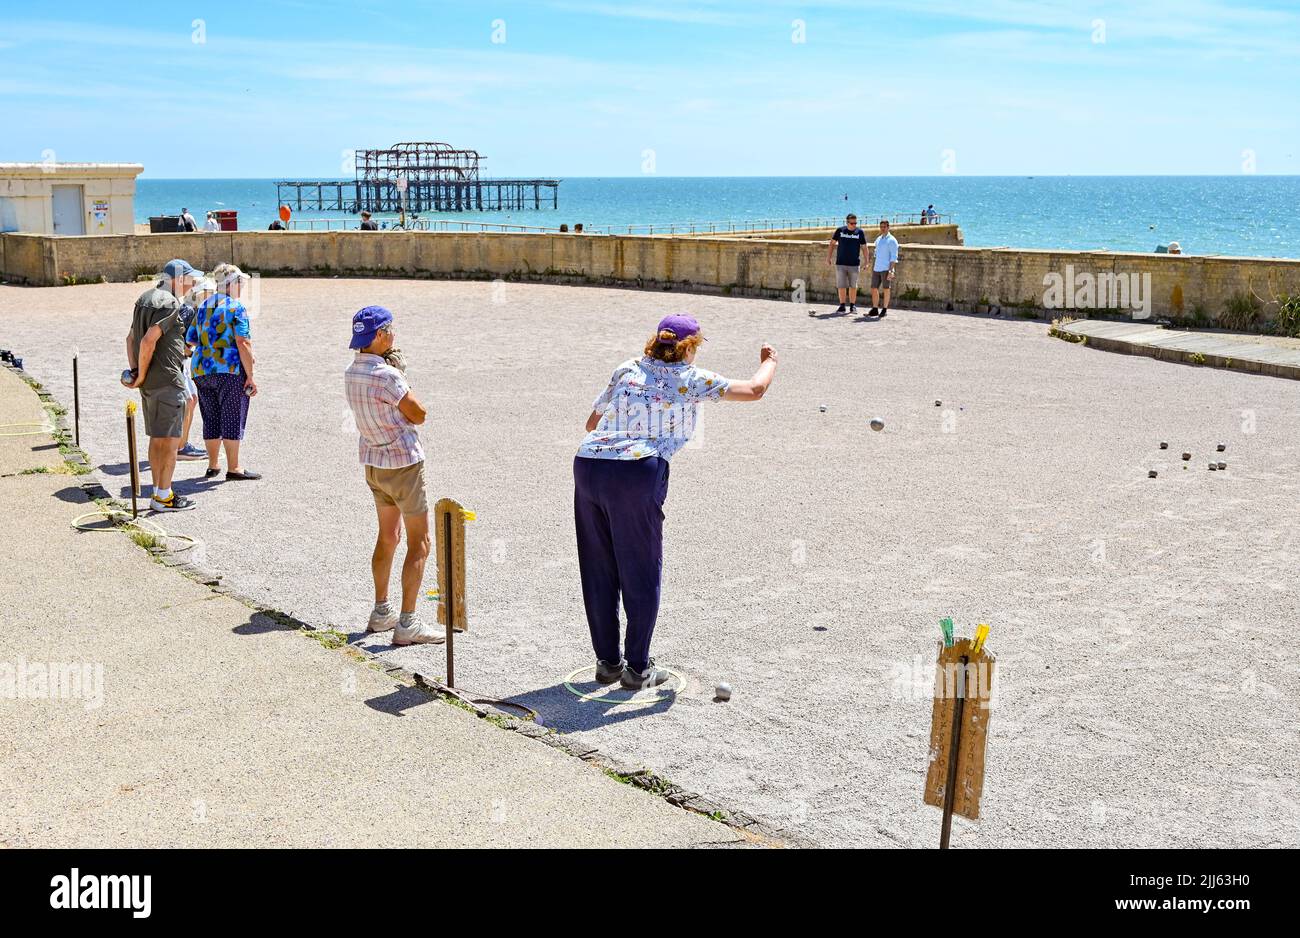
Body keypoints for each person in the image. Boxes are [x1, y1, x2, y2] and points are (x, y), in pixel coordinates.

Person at [575, 315, 779, 690]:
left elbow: (592, 424)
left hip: (588, 465)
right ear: (690, 346)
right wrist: (770, 361)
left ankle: (607, 663)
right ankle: (637, 668)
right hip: (636, 471)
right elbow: (754, 390)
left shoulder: (626, 368)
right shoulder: (691, 378)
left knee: (599, 567)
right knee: (640, 569)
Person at [343, 306, 443, 646]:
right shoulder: (388, 376)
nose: (394, 334)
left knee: (387, 537)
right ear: (380, 336)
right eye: (390, 329)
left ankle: (381, 610)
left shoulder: (351, 371)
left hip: (374, 464)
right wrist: (402, 375)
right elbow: (419, 414)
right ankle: (408, 623)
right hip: (403, 464)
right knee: (420, 543)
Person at [122, 258, 202, 512]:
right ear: (178, 279)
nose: (193, 284)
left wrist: (137, 373)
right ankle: (164, 497)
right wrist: (142, 375)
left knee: (157, 439)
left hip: (151, 384)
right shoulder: (170, 302)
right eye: (189, 278)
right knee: (169, 441)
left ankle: (159, 492)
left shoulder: (145, 298)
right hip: (167, 380)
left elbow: (130, 339)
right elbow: (146, 341)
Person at [187, 263, 262, 482]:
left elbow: (190, 340)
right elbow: (243, 341)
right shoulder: (236, 308)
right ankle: (234, 467)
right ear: (233, 284)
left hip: (202, 369)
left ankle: (213, 465)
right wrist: (250, 375)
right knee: (231, 416)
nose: (243, 287)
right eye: (241, 283)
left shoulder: (203, 306)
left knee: (210, 417)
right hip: (228, 369)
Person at [176, 276, 217, 461]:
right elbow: (184, 345)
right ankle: (180, 447)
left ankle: (182, 444)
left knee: (191, 400)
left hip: (181, 363)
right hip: (179, 363)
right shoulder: (191, 311)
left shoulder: (194, 309)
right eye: (209, 293)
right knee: (189, 400)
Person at [826, 213, 868, 314]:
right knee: (841, 285)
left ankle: (853, 306)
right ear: (847, 222)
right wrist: (828, 257)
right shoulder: (840, 231)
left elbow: (864, 247)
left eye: (855, 223)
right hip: (841, 263)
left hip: (854, 264)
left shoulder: (860, 232)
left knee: (853, 286)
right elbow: (832, 244)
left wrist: (867, 261)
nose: (854, 225)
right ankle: (842, 305)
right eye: (852, 223)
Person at [866, 219, 900, 317]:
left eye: (884, 227)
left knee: (886, 289)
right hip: (877, 267)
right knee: (873, 288)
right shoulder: (879, 239)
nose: (882, 229)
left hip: (886, 268)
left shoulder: (892, 240)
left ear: (888, 227)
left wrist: (891, 270)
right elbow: (876, 253)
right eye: (881, 227)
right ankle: (875, 308)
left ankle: (884, 309)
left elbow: (894, 256)